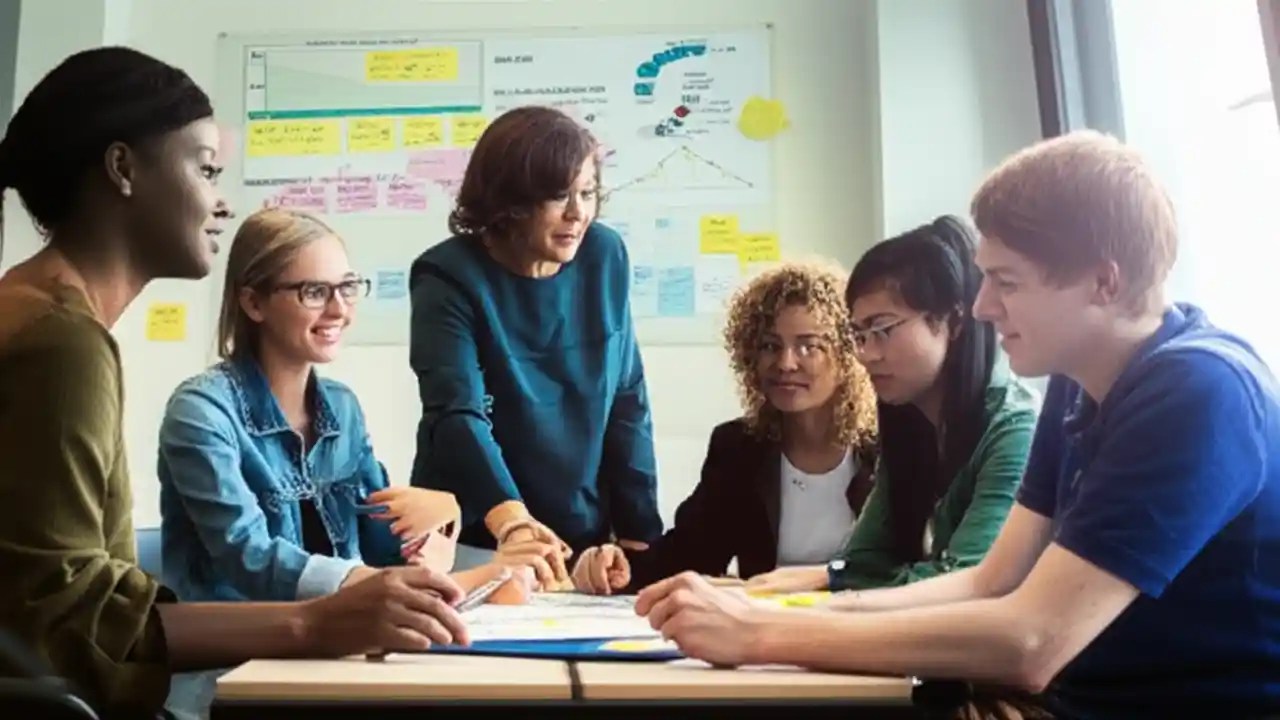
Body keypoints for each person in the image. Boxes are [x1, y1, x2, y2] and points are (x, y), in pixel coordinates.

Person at [635, 131, 1280, 718]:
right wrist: (782, 607)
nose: (982, 305)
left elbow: (1033, 639)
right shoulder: (1079, 383)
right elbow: (988, 580)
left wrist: (758, 634)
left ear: (1102, 283)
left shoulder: (1197, 390)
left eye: (1006, 281)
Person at [0, 47, 468, 720]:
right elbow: (73, 616)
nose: (221, 204)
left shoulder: (40, 314)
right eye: (205, 168)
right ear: (123, 168)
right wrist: (319, 623)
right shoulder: (61, 339)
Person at [407, 105, 662, 582]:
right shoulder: (446, 276)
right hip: (478, 541)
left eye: (587, 193)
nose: (577, 213)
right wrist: (514, 523)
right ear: (510, 201)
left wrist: (639, 537)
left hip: (579, 540)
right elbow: (456, 415)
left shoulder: (604, 256)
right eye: (557, 196)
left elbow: (627, 399)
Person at [743, 217, 1038, 595]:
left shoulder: (1014, 428)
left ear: (952, 321)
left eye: (882, 330)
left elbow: (966, 583)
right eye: (858, 335)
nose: (865, 354)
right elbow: (863, 563)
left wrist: (834, 588)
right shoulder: (908, 419)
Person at [571, 262, 880, 595]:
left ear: (849, 355)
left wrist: (825, 579)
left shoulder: (888, 446)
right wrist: (618, 566)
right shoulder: (739, 447)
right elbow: (688, 554)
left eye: (809, 346)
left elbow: (908, 565)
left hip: (868, 628)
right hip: (767, 630)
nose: (786, 363)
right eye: (770, 346)